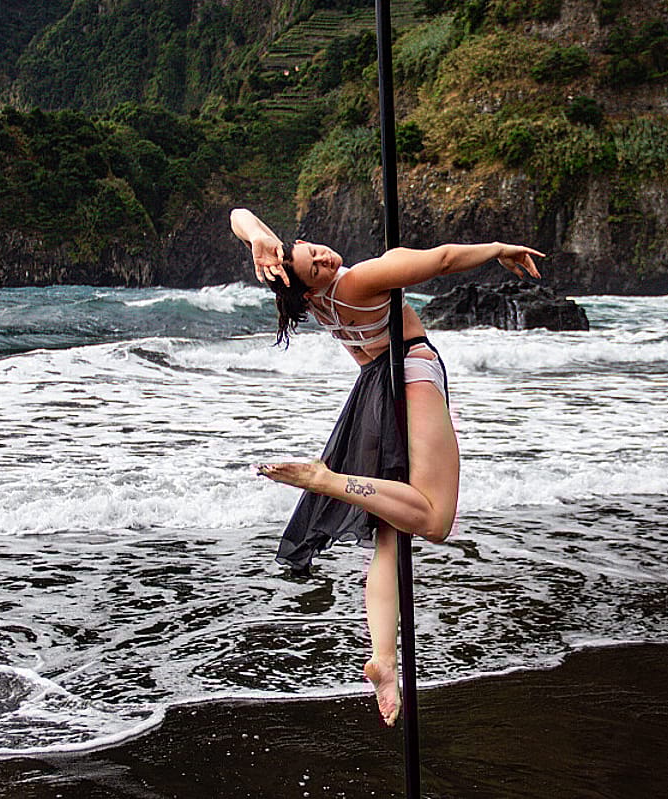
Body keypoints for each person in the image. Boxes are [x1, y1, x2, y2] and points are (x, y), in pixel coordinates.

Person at [230, 207, 544, 725]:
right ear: (308, 288)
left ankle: (383, 660)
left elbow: (240, 215)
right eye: (316, 266)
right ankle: (330, 481)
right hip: (410, 374)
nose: (326, 259)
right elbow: (441, 260)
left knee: (391, 534)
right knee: (435, 519)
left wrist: (260, 239)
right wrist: (498, 250)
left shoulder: (318, 299)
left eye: (316, 253)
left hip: (374, 390)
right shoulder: (359, 281)